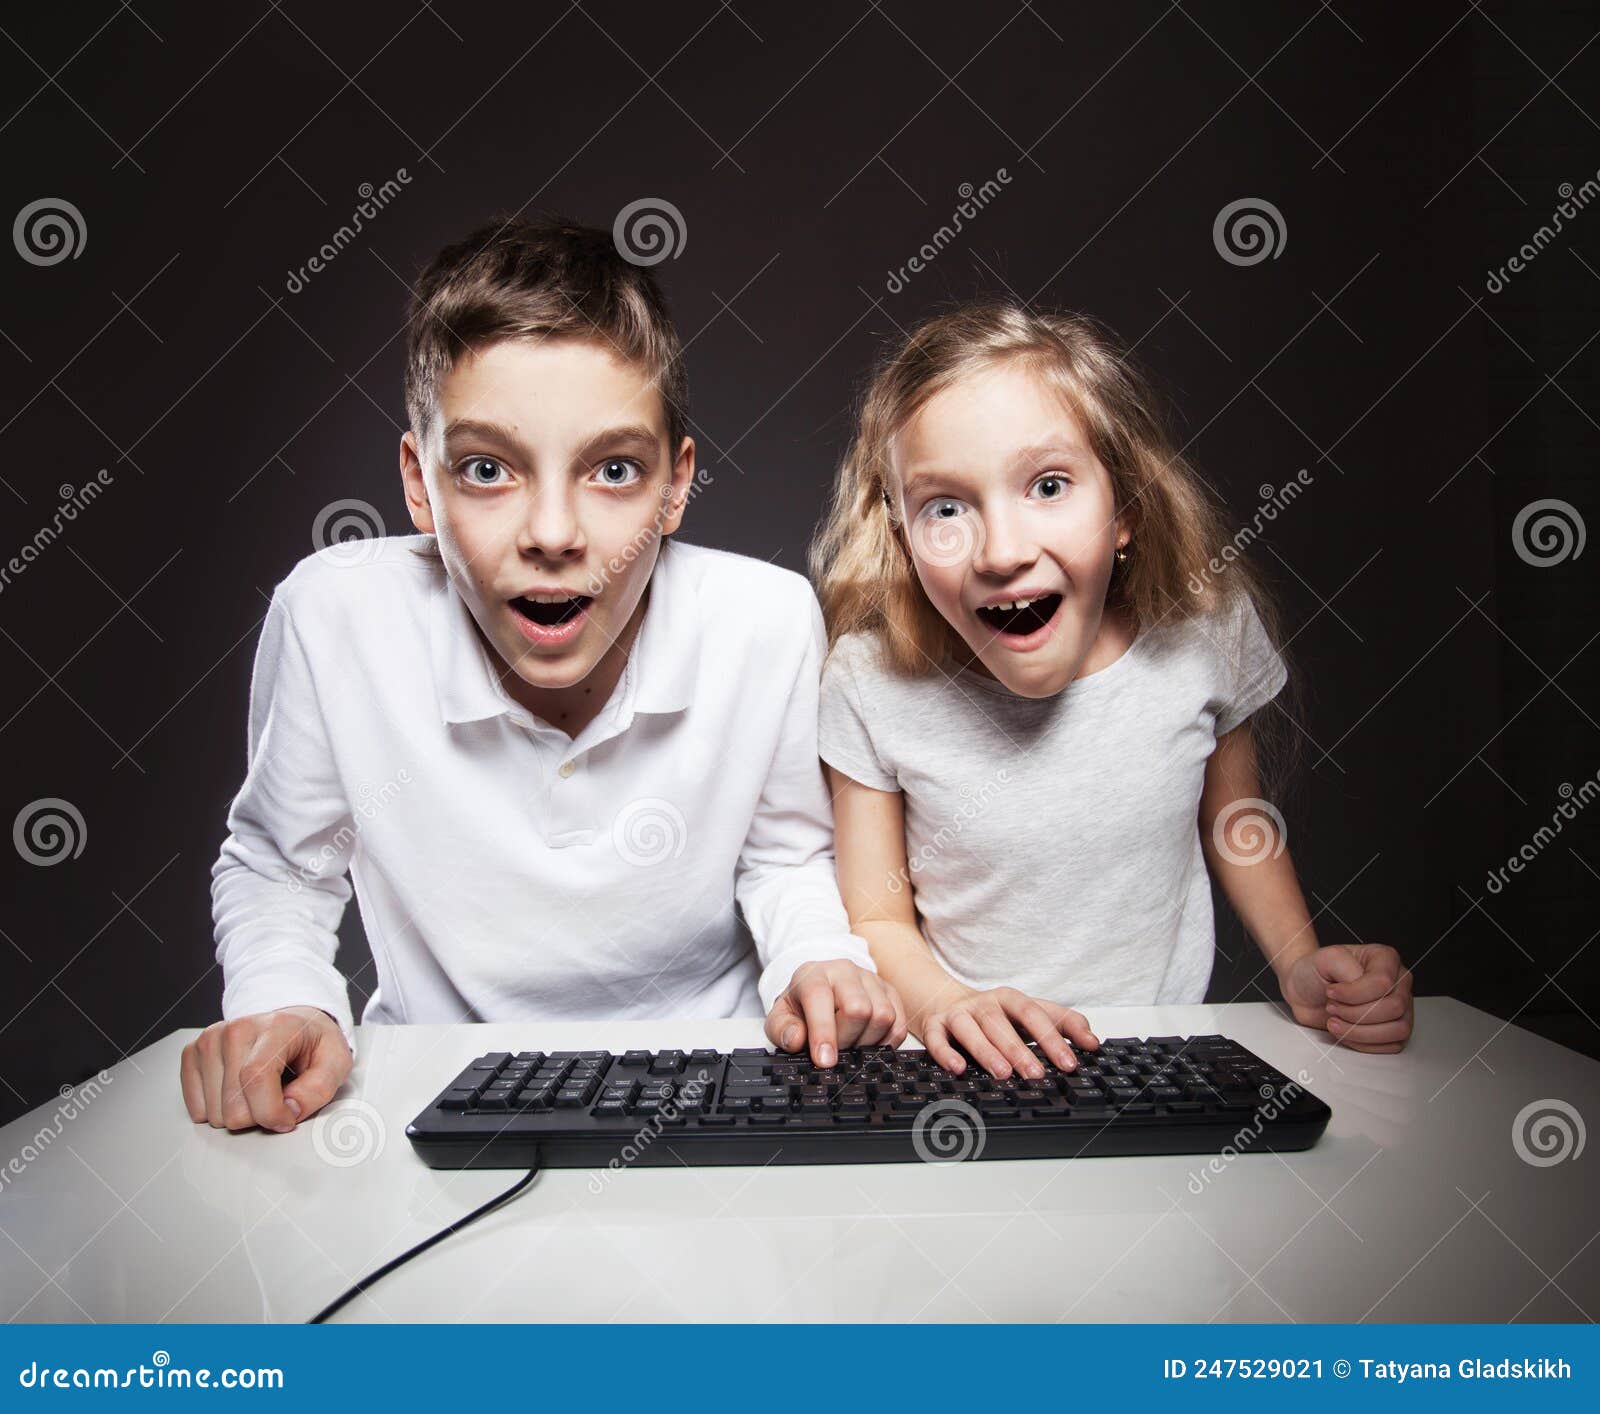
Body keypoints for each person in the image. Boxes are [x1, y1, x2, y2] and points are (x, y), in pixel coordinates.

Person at [181, 216, 904, 1133]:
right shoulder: (335, 617)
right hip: (429, 1093)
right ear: (419, 482)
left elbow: (786, 857)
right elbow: (283, 866)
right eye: (487, 469)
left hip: (710, 1083)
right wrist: (283, 1000)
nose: (553, 534)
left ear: (676, 486)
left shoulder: (764, 621)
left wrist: (816, 959)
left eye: (614, 469)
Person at [811, 300, 1413, 1082]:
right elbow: (876, 912)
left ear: (1125, 507)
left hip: (1154, 1062)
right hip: (961, 1069)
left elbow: (1235, 822)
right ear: (900, 535)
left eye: (1048, 485)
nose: (1001, 552)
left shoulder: (1202, 632)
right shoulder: (870, 679)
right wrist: (946, 1006)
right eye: (946, 507)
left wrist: (1302, 963)